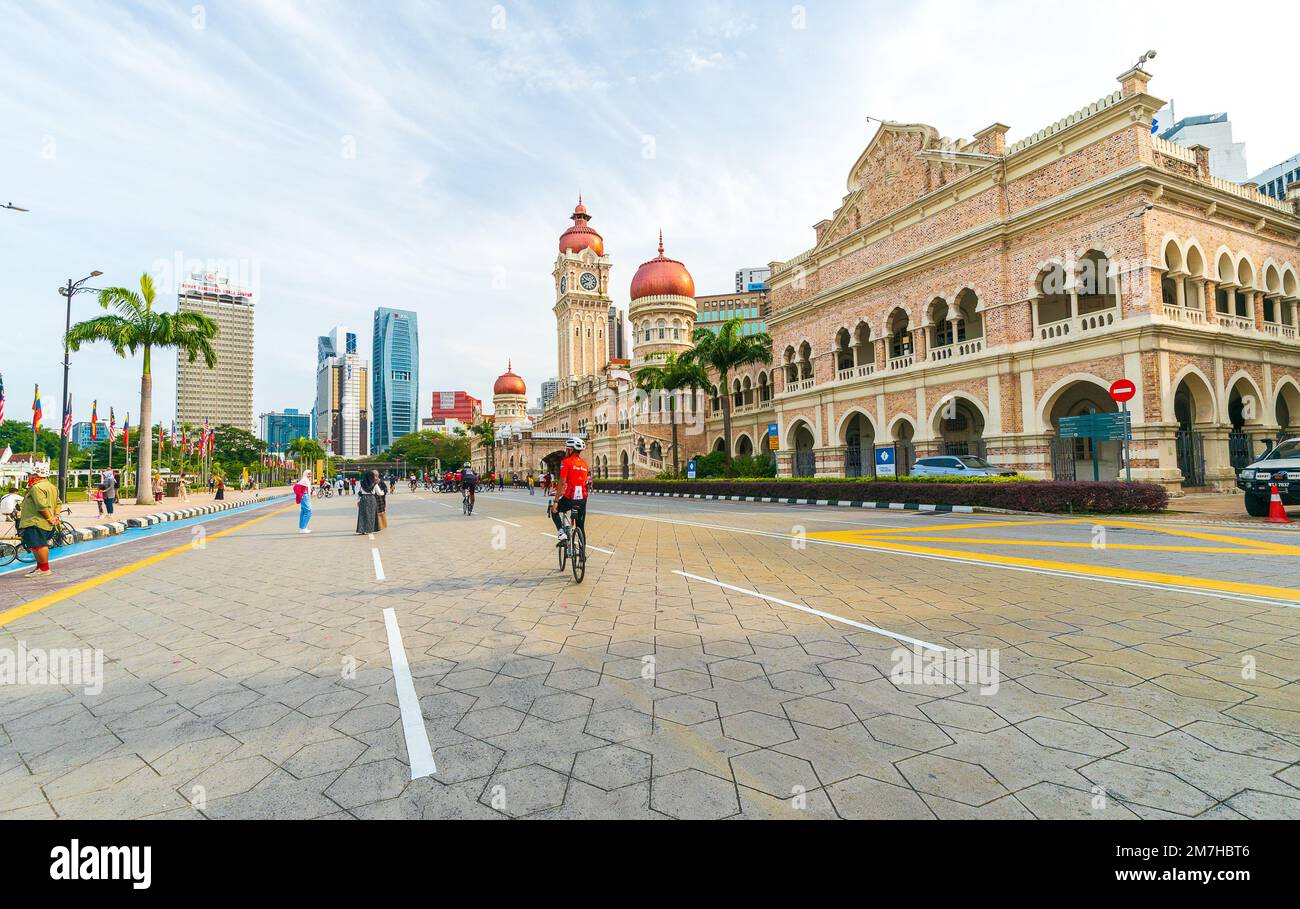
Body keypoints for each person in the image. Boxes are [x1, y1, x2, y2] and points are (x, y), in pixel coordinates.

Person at [17, 465, 61, 579]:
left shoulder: (36, 487)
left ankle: (45, 569)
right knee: (36, 545)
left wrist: (49, 518)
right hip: (44, 522)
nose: (29, 476)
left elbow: (42, 506)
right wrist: (55, 516)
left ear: (37, 475)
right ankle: (40, 567)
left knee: (39, 545)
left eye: (31, 474)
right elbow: (59, 503)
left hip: (35, 521)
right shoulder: (52, 486)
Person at [551, 437, 590, 545]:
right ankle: (582, 556)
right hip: (582, 499)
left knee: (553, 510)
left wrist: (556, 500)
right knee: (580, 527)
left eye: (567, 449)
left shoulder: (566, 462)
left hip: (570, 498)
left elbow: (562, 482)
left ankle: (561, 534)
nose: (565, 451)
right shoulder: (585, 465)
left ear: (571, 450)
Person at [293, 470, 314, 534]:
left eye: (310, 474)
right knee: (308, 512)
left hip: (305, 496)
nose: (310, 475)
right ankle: (303, 528)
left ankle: (302, 527)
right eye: (308, 474)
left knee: (304, 512)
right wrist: (300, 495)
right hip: (304, 496)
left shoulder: (306, 480)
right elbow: (295, 487)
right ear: (305, 474)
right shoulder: (304, 480)